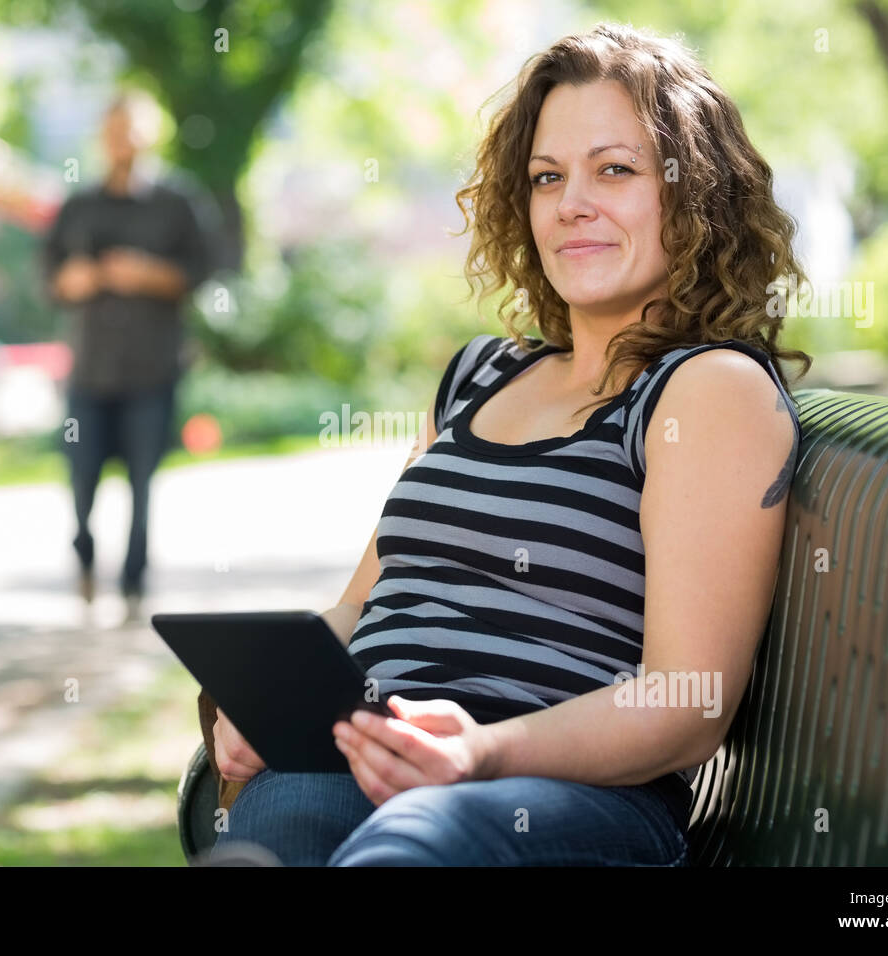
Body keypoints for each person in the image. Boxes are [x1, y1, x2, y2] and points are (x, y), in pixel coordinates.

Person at [205, 23, 813, 866]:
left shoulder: (706, 391)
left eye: (616, 169)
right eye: (547, 177)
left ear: (696, 194)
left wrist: (478, 754)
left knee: (412, 845)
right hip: (371, 752)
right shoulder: (478, 374)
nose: (572, 203)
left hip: (555, 793)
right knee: (273, 847)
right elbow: (361, 603)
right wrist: (265, 695)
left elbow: (688, 702)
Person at [44, 91, 217, 621]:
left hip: (151, 370)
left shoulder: (177, 202)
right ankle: (84, 556)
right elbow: (48, 278)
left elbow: (204, 271)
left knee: (143, 484)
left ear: (150, 134)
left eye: (131, 129)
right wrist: (73, 280)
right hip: (90, 371)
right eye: (113, 129)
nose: (122, 140)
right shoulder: (78, 206)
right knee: (81, 480)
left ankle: (134, 584)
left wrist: (149, 274)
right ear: (102, 136)